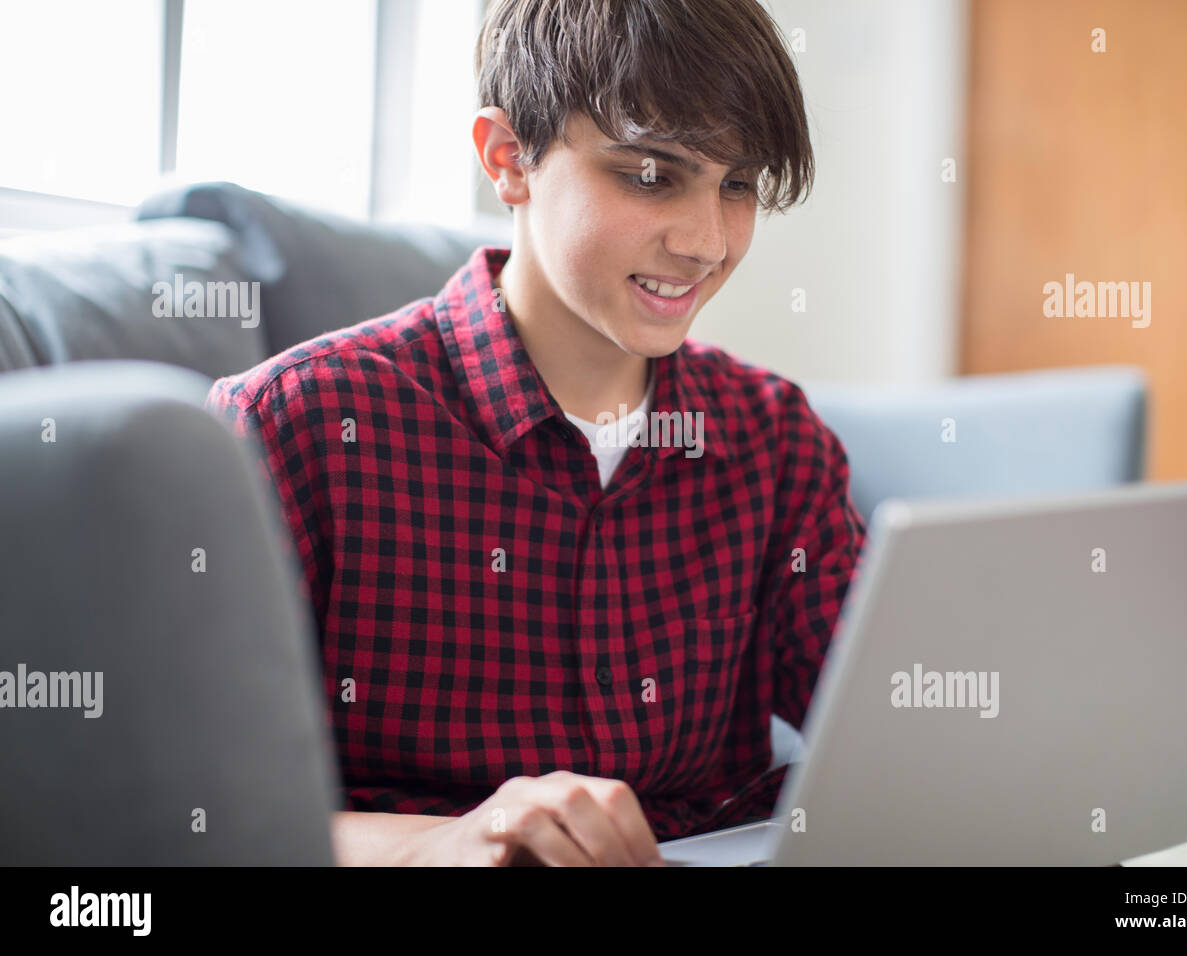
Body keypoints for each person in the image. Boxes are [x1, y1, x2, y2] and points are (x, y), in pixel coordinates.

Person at [207, 0, 861, 866]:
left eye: (736, 185)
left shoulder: (776, 442)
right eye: (652, 175)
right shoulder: (294, 428)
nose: (707, 242)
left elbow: (892, 746)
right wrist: (448, 843)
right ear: (509, 159)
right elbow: (191, 809)